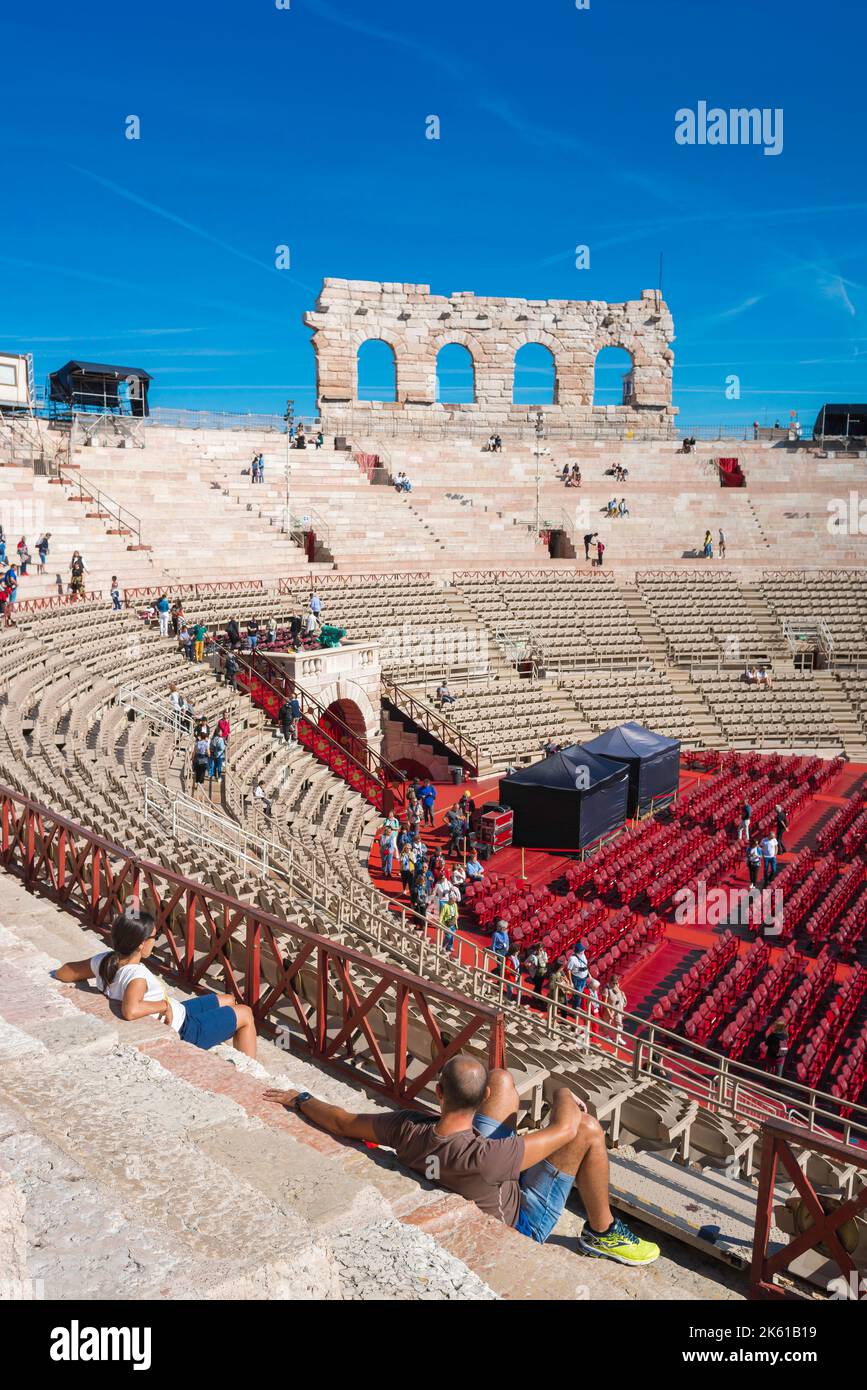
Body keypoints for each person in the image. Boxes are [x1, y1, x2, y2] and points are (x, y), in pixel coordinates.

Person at [265, 1057, 658, 1263]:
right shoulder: (490, 1156)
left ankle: (601, 1230)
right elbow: (569, 1129)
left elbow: (344, 1121)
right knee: (589, 1127)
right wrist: (565, 1093)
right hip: (520, 1219)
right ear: (479, 1098)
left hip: (465, 1166)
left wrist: (302, 1099)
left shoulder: (407, 1128)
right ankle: (603, 1234)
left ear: (439, 1092)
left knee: (504, 1077)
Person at [53, 907, 256, 1056]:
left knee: (229, 999)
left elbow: (63, 972)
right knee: (245, 1013)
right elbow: (130, 1010)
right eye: (154, 936)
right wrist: (163, 1005)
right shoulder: (136, 976)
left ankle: (222, 1033)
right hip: (186, 1029)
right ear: (141, 944)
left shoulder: (105, 959)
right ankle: (251, 1078)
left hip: (180, 1011)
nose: (155, 939)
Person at [602, 975, 627, 1048]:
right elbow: (604, 1002)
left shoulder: (616, 986)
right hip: (610, 1009)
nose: (615, 985)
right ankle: (606, 1036)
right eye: (614, 983)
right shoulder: (606, 989)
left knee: (619, 1023)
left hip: (618, 1008)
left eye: (616, 983)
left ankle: (618, 1037)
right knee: (607, 1023)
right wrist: (609, 1013)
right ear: (610, 982)